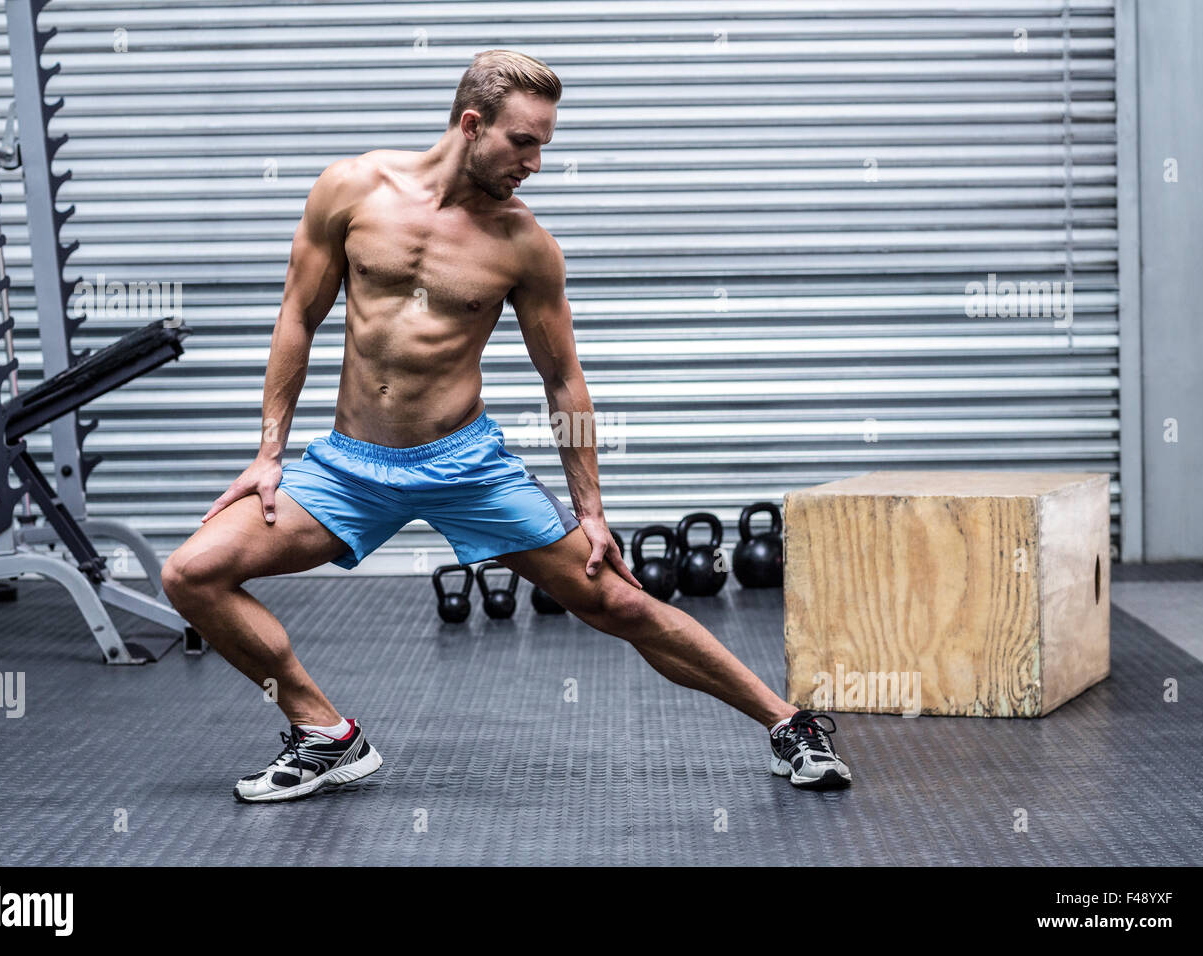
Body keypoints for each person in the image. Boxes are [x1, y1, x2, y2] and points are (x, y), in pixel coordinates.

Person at [160, 49, 852, 803]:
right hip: (350, 468)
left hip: (465, 464)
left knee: (616, 601)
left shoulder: (525, 245)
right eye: (524, 143)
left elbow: (564, 380)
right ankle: (323, 733)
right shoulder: (350, 190)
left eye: (545, 147)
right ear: (471, 123)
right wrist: (270, 453)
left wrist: (591, 510)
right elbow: (298, 315)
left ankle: (789, 725)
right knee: (191, 574)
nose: (536, 164)